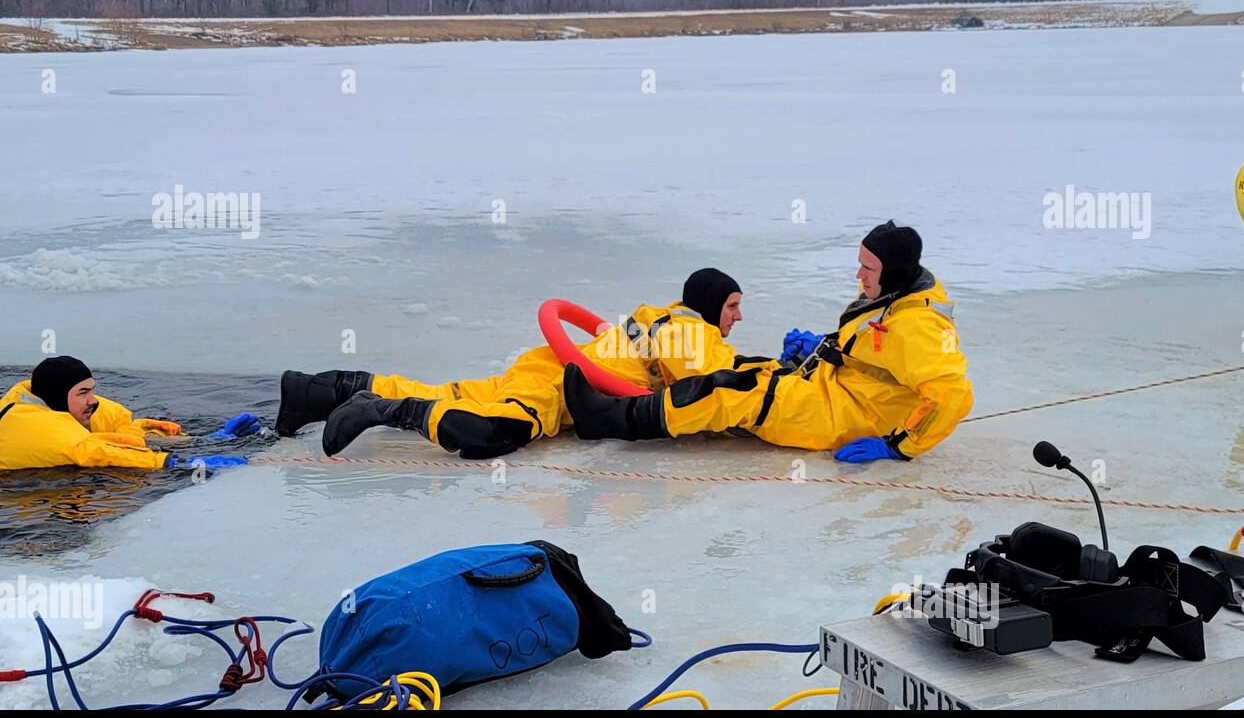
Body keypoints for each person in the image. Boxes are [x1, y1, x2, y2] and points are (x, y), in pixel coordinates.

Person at [563, 221, 974, 463]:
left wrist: (898, 446)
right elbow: (878, 355)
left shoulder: (919, 324)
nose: (858, 275)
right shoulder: (892, 297)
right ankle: (629, 410)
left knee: (730, 392)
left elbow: (951, 394)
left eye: (868, 267)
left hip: (844, 416)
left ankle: (610, 419)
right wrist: (822, 349)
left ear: (895, 272)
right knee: (747, 370)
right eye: (860, 264)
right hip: (834, 389)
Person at [275, 268, 770, 459]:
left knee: (458, 393)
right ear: (710, 304)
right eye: (732, 305)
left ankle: (319, 390)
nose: (739, 316)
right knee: (499, 430)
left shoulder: (661, 318)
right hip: (562, 388)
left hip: (548, 363)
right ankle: (384, 409)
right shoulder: (694, 332)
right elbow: (711, 395)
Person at [0, 356, 259, 471]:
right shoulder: (39, 429)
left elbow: (127, 430)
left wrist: (197, 440)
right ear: (58, 396)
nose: (92, 401)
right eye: (82, 393)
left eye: (92, 390)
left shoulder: (58, 401)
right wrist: (171, 463)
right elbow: (96, 451)